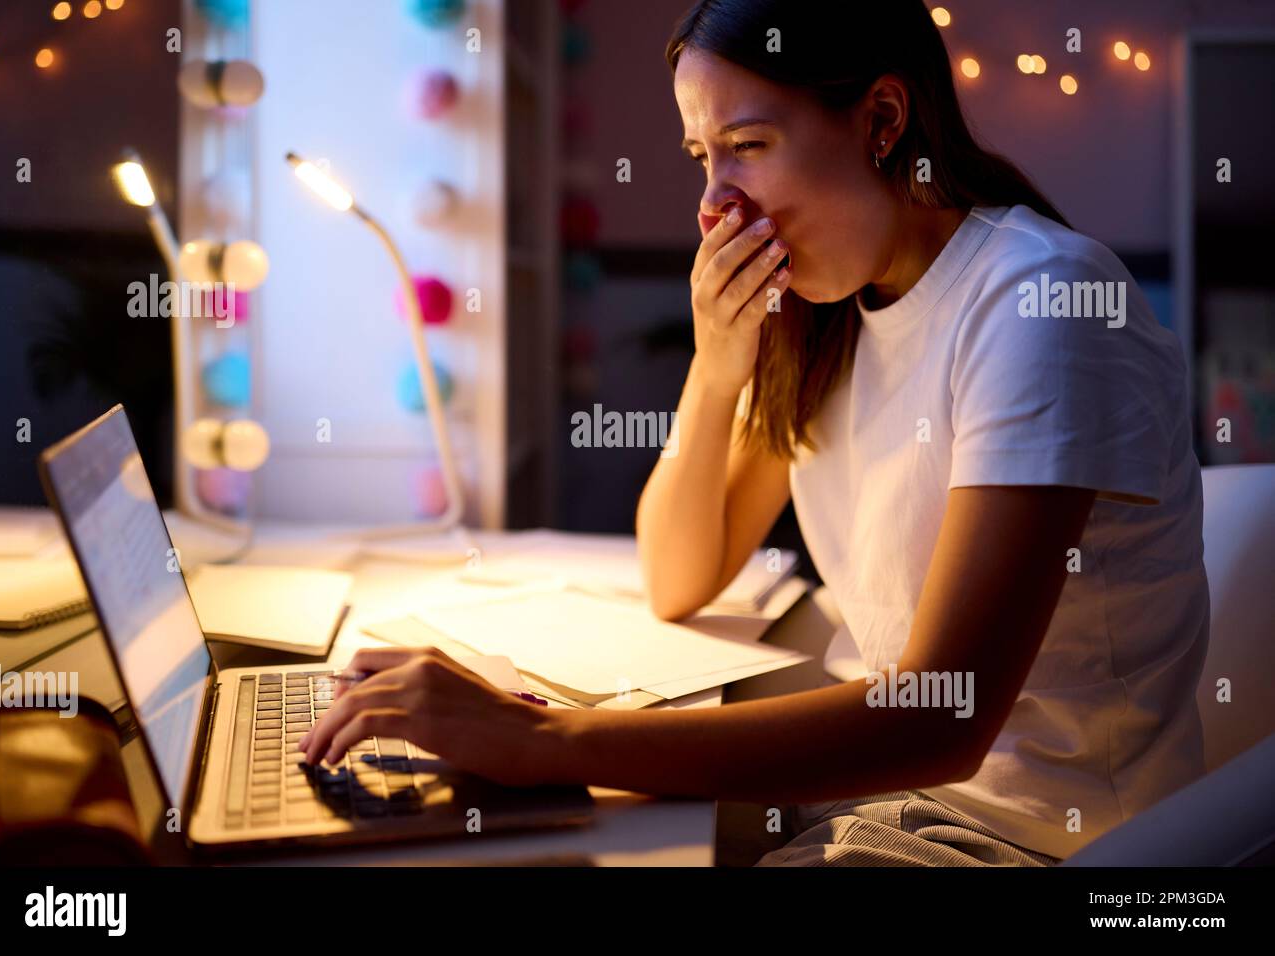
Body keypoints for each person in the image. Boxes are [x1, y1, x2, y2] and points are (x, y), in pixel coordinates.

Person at [301, 0, 1209, 866]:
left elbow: (942, 716)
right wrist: (717, 366)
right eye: (702, 156)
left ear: (882, 121)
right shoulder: (836, 313)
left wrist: (540, 736)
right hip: (875, 798)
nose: (714, 203)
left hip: (1032, 840)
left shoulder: (1035, 303)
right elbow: (678, 574)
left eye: (747, 146)